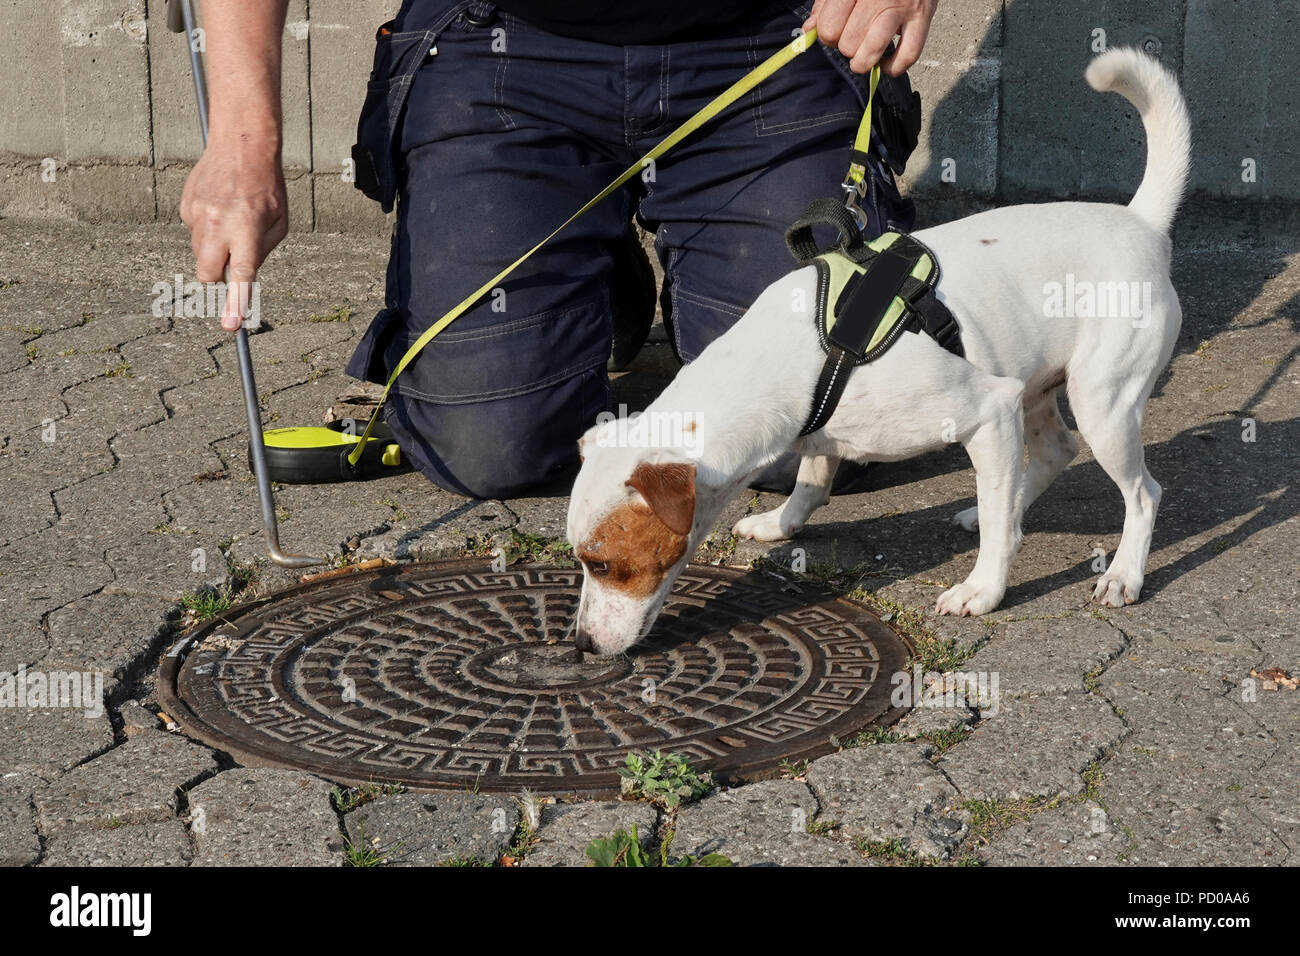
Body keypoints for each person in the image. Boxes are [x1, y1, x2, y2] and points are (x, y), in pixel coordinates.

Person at [182, 0, 938, 498]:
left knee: (823, 435)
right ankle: (588, 273)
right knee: (487, 450)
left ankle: (643, 262)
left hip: (773, 38)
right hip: (501, 43)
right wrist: (243, 139)